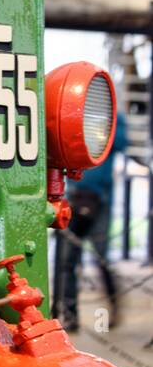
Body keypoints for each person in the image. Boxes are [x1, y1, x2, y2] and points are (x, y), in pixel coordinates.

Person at [53, 112, 126, 332]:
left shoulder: (113, 118)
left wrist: (97, 122)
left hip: (100, 200)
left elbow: (120, 142)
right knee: (66, 262)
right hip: (72, 197)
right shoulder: (71, 114)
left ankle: (113, 307)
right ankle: (69, 315)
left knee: (101, 259)